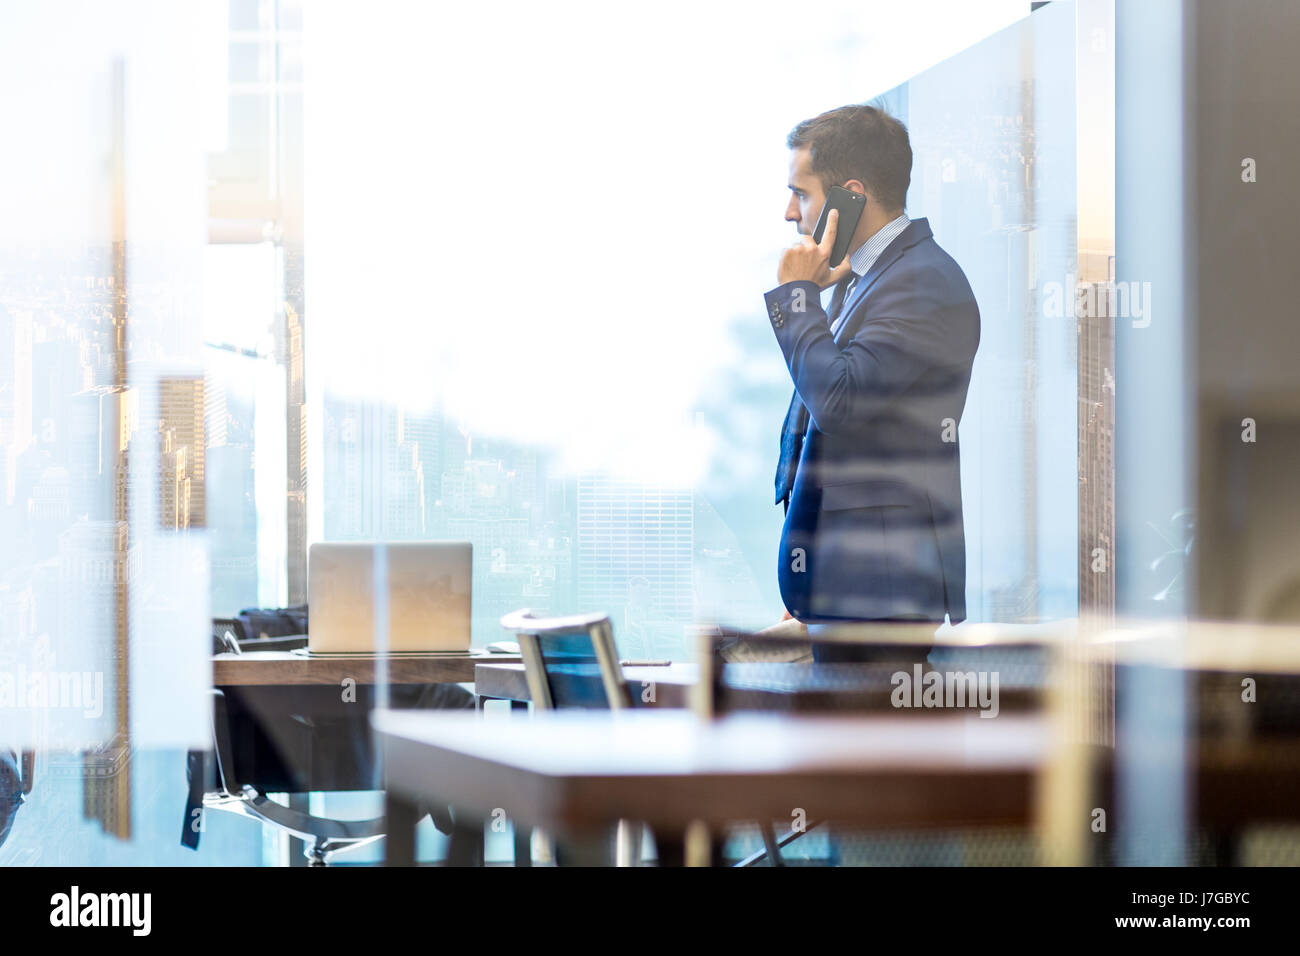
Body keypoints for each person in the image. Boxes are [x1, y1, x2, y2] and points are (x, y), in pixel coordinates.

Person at [765, 104, 980, 664]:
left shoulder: (922, 283)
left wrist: (797, 297)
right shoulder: (870, 280)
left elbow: (838, 400)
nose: (790, 212)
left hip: (878, 599)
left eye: (802, 193)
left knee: (867, 751)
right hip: (847, 594)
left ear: (850, 195)